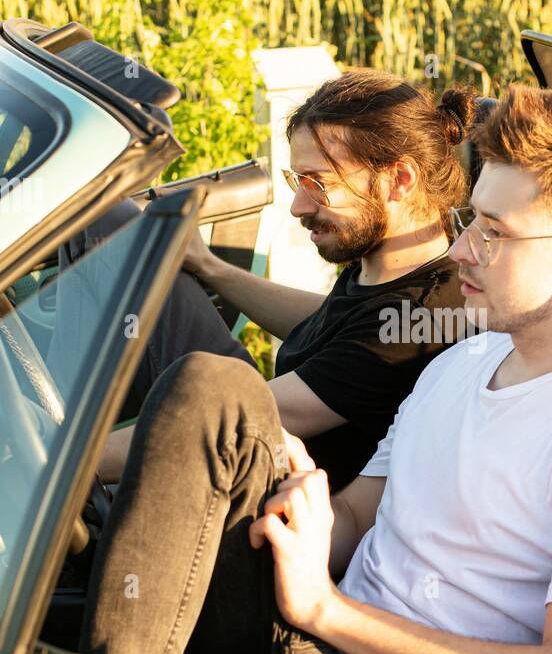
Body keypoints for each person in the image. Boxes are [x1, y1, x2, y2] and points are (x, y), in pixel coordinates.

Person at [80, 83, 552, 654]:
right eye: (471, 222)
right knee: (212, 391)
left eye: (495, 233)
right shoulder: (461, 362)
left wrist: (328, 610)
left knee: (213, 390)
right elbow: (354, 519)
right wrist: (304, 503)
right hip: (318, 636)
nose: (461, 250)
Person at [87, 70, 476, 491]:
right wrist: (209, 267)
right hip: (247, 449)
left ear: (399, 180)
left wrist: (63, 466)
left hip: (262, 510)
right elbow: (329, 323)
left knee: (112, 223)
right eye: (297, 181)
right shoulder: (391, 259)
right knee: (114, 222)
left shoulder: (416, 320)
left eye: (317, 183)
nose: (298, 206)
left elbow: (232, 425)